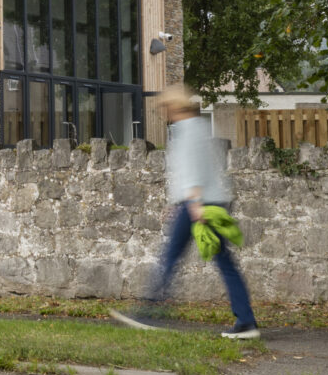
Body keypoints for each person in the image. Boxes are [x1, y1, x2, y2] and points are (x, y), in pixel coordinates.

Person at [111, 83, 260, 339]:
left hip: (201, 204)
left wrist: (192, 203)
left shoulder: (188, 129)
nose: (163, 112)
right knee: (223, 262)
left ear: (174, 106)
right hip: (204, 201)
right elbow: (195, 168)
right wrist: (177, 202)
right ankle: (246, 322)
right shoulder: (197, 127)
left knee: (170, 258)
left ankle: (149, 312)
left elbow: (194, 169)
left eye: (165, 107)